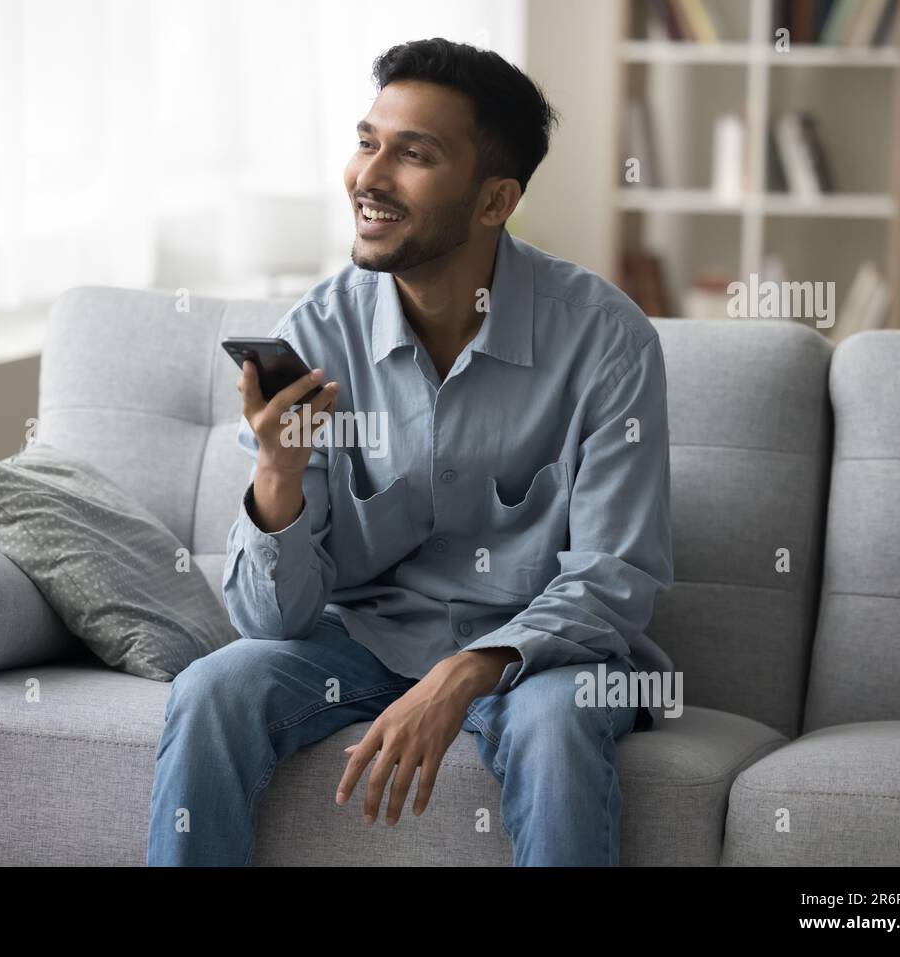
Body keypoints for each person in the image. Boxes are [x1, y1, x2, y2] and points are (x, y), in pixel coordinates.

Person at [147, 37, 674, 867]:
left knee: (554, 725)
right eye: (366, 142)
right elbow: (269, 622)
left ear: (495, 200)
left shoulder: (607, 341)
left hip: (540, 656)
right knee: (214, 687)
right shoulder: (318, 334)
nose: (370, 176)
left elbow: (614, 581)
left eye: (413, 154)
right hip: (364, 643)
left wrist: (468, 669)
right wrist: (277, 470)